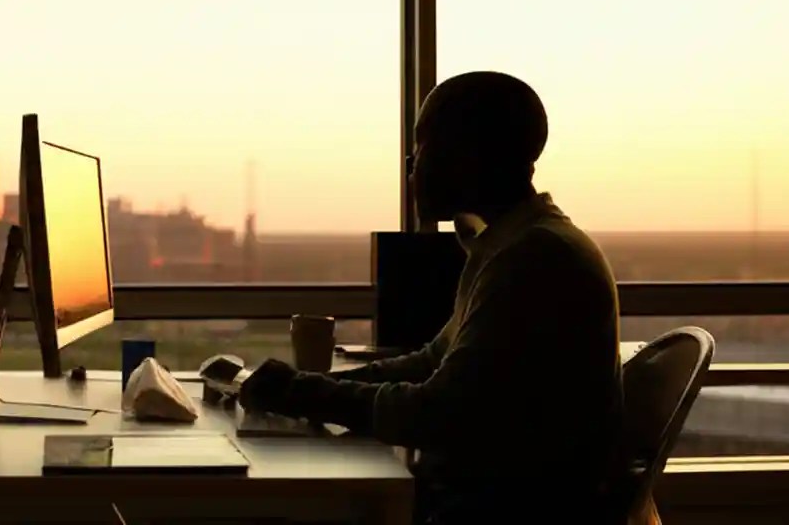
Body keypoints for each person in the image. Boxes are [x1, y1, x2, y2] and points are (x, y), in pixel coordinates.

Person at [240, 71, 625, 523]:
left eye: (423, 147)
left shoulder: (535, 258)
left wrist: (303, 393)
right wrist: (312, 387)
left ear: (468, 155)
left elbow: (440, 413)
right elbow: (432, 362)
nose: (411, 165)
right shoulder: (514, 244)